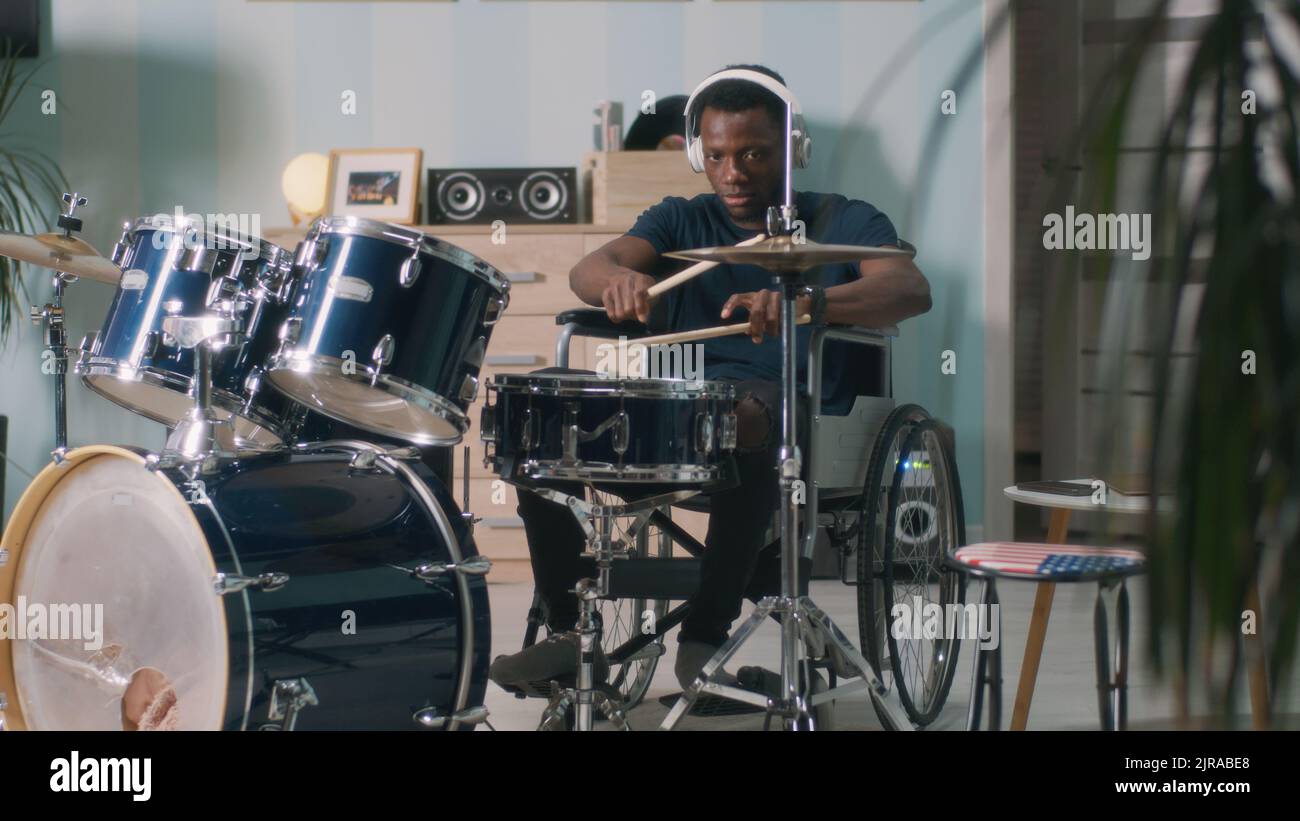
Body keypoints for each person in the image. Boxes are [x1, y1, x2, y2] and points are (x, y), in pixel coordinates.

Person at [489, 64, 932, 693]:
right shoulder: (680, 219)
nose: (734, 173)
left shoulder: (842, 219)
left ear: (792, 151)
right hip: (674, 415)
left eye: (754, 154)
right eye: (718, 155)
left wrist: (805, 303)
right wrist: (619, 281)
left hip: (786, 413)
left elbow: (908, 287)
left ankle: (704, 636)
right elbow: (593, 267)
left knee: (744, 414)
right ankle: (568, 631)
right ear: (699, 153)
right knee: (542, 411)